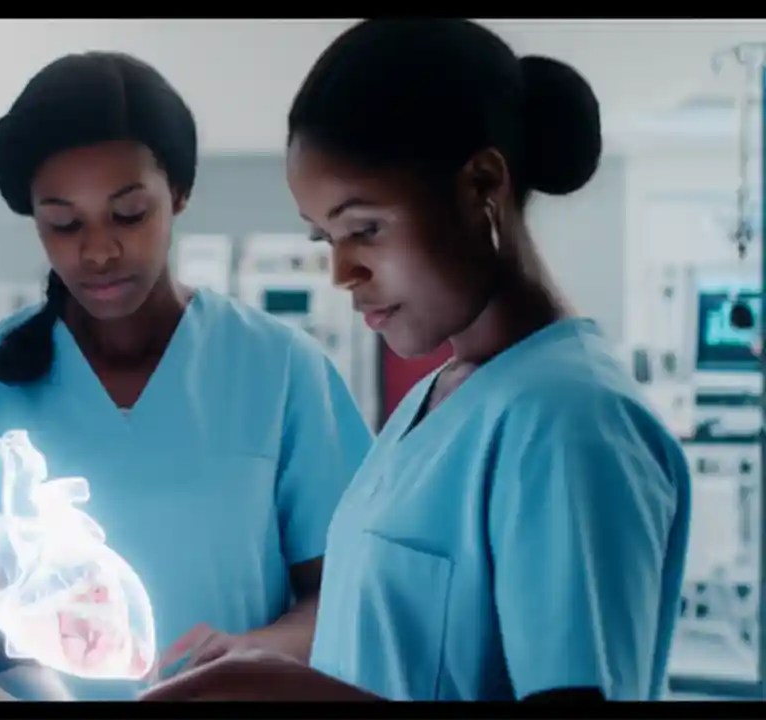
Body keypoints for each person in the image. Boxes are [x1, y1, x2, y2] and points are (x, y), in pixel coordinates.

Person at [141, 18, 692, 702]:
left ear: (481, 184)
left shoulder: (569, 423)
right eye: (325, 238)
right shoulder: (435, 402)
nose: (342, 271)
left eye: (364, 229)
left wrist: (298, 696)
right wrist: (278, 670)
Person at [0, 51, 373, 701]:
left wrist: (251, 651)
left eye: (129, 214)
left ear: (179, 194)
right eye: (63, 222)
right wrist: (17, 625)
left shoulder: (279, 369)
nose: (99, 250)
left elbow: (341, 596)